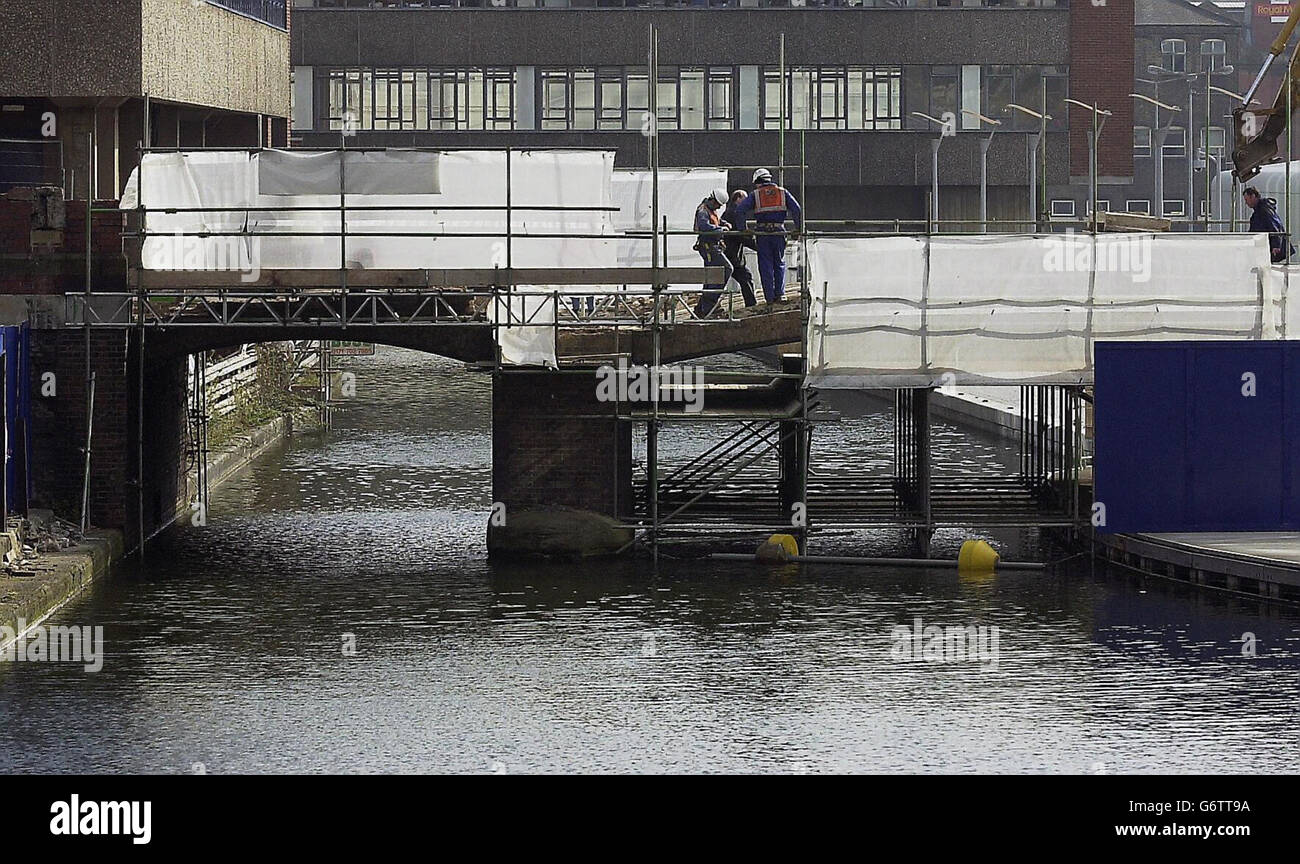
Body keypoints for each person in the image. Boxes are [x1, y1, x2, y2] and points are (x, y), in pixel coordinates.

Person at [732, 168, 803, 303]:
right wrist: (798, 229)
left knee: (766, 265)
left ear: (757, 182)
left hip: (762, 233)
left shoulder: (756, 194)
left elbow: (739, 210)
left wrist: (743, 229)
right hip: (779, 232)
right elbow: (797, 209)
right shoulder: (783, 192)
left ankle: (769, 298)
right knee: (780, 263)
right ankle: (780, 295)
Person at [693, 188, 733, 318]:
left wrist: (723, 223)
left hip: (713, 246)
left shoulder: (710, 210)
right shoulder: (703, 211)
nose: (719, 207)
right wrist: (720, 229)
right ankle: (710, 303)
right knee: (726, 269)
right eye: (718, 205)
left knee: (710, 277)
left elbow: (715, 221)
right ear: (713, 200)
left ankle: (702, 308)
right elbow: (704, 227)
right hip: (709, 247)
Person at [721, 190, 758, 308]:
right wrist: (759, 247)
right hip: (732, 254)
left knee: (719, 281)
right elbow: (741, 236)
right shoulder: (735, 213)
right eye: (744, 198)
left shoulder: (731, 212)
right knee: (745, 277)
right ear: (738, 198)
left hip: (730, 253)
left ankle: (705, 306)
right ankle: (751, 305)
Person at [1244, 186, 1293, 263]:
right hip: (1265, 245)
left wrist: (1276, 245)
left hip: (1269, 246)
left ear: (1253, 196)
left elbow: (1275, 225)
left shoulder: (1264, 209)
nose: (1246, 203)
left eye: (1246, 199)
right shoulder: (1259, 211)